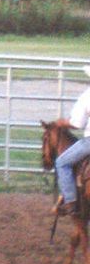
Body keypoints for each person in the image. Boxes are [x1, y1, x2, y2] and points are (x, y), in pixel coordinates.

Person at [54, 65, 90, 216]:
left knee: (62, 163)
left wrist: (61, 123)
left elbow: (77, 123)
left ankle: (70, 202)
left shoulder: (87, 95)